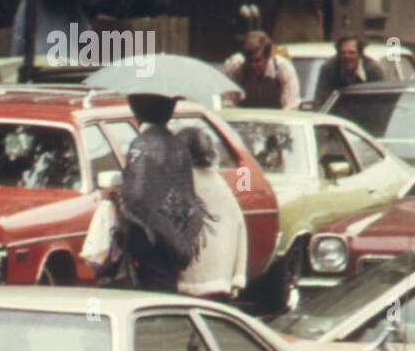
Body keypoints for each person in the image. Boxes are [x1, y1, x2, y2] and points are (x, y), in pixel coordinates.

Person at [119, 94, 210, 293]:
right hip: (175, 239)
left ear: (137, 112)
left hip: (151, 242)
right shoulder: (178, 145)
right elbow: (187, 195)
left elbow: (137, 198)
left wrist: (119, 197)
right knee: (166, 292)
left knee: (152, 297)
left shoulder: (142, 144)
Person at [176, 127, 248, 301]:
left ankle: (94, 320)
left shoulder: (179, 183)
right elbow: (239, 229)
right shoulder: (220, 185)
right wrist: (237, 278)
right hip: (220, 280)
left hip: (186, 281)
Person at [224, 31, 301, 109]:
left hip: (277, 118)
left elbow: (290, 106)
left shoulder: (282, 68)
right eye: (249, 60)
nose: (252, 65)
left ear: (267, 57)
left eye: (257, 60)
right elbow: (228, 102)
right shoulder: (236, 66)